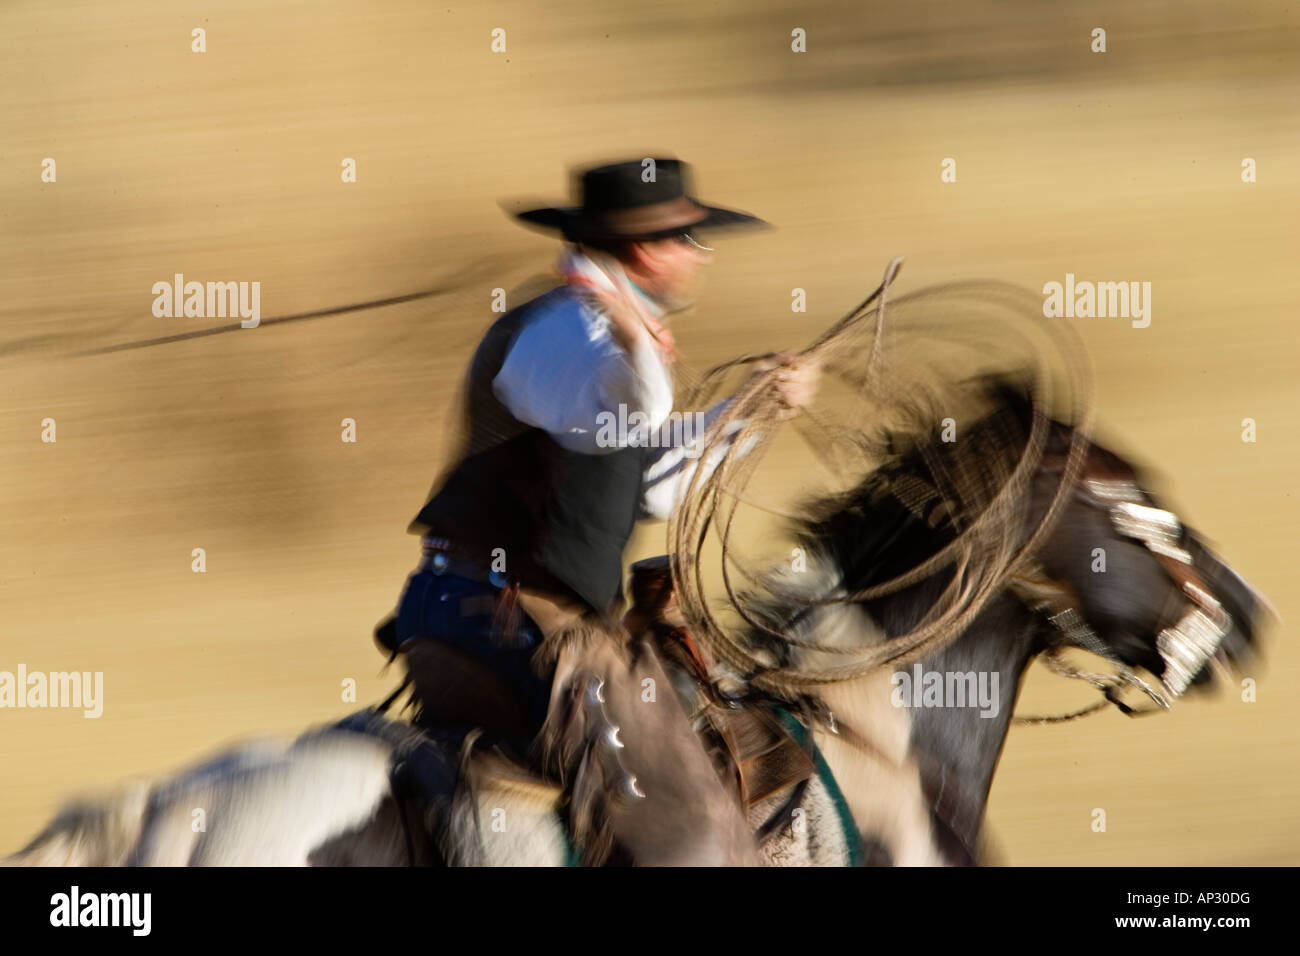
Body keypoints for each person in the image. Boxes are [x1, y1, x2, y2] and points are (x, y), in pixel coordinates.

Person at [379, 157, 819, 864]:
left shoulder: (596, 334)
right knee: (692, 828)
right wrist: (627, 327)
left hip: (484, 605)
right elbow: (639, 409)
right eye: (690, 241)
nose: (700, 256)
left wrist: (754, 409)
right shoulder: (570, 333)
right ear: (647, 250)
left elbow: (652, 481)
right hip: (507, 618)